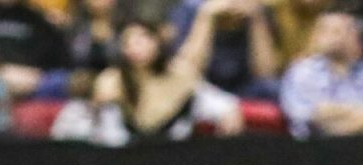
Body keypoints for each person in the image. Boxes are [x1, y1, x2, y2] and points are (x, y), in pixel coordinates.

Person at [53, 12, 245, 142]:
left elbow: (225, 106)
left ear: (158, 42)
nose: (136, 46)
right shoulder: (111, 80)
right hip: (119, 163)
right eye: (129, 41)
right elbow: (74, 127)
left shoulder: (180, 77)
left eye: (143, 38)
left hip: (172, 161)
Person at [280, 7, 363, 136]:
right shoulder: (302, 71)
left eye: (338, 31)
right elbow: (302, 117)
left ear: (355, 34)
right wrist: (360, 112)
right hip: (313, 150)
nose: (333, 38)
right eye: (325, 31)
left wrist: (329, 113)